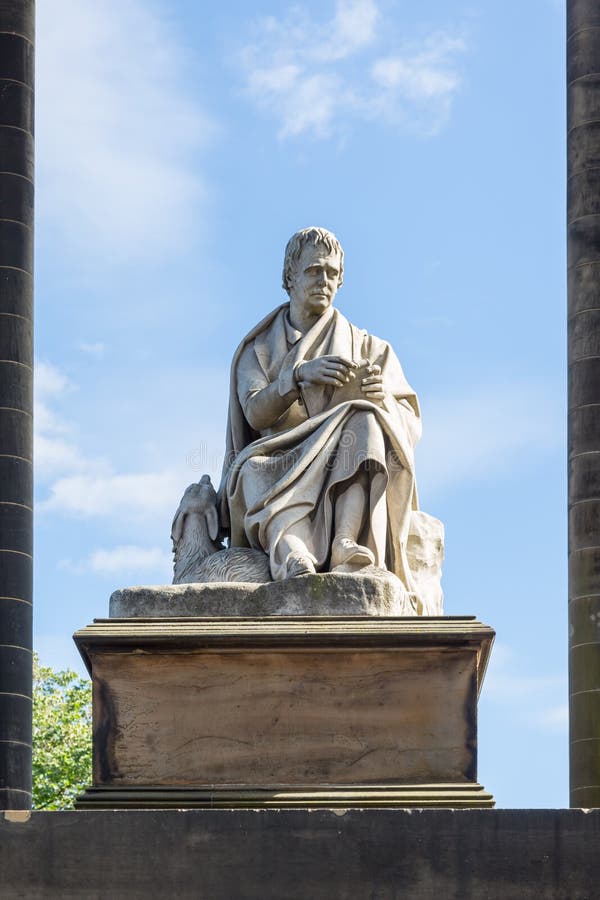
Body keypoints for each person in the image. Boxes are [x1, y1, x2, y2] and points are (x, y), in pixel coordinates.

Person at [217, 226, 422, 585]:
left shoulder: (370, 348)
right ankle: (291, 552)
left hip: (340, 454)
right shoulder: (258, 348)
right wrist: (295, 379)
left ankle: (345, 539)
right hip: (277, 456)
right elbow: (254, 413)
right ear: (290, 278)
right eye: (313, 271)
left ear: (340, 279)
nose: (323, 281)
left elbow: (410, 422)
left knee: (366, 420)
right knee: (250, 471)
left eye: (331, 272)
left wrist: (382, 399)